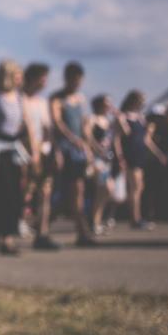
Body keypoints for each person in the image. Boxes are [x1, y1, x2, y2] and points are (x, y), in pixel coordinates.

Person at [0, 60, 35, 255]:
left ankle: (7, 236)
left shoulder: (20, 98)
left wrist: (32, 150)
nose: (21, 78)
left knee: (15, 195)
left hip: (13, 150)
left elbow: (27, 125)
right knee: (0, 194)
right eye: (18, 74)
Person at [50, 62, 97, 247]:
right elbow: (57, 123)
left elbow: (85, 126)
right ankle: (43, 225)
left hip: (78, 151)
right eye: (74, 80)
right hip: (64, 149)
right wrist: (72, 139)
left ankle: (81, 230)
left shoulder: (80, 99)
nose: (77, 84)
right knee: (63, 192)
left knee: (77, 191)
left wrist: (88, 147)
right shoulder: (57, 99)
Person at [116, 90, 166, 231]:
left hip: (140, 155)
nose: (142, 103)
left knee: (139, 188)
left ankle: (136, 217)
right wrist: (120, 156)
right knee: (135, 188)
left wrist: (158, 153)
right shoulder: (124, 117)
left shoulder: (140, 118)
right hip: (130, 154)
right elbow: (118, 138)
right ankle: (135, 219)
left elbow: (146, 140)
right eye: (140, 100)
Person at [22, 62, 59, 250]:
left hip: (42, 153)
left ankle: (42, 233)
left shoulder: (42, 103)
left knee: (45, 192)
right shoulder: (21, 100)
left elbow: (48, 129)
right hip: (22, 154)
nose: (45, 82)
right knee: (24, 192)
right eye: (42, 78)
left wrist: (52, 150)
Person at [86, 94, 116, 236]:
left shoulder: (108, 121)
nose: (109, 106)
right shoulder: (93, 119)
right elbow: (87, 135)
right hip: (96, 159)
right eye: (107, 103)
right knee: (104, 188)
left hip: (106, 159)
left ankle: (95, 221)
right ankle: (93, 221)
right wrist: (96, 148)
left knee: (105, 191)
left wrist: (118, 114)